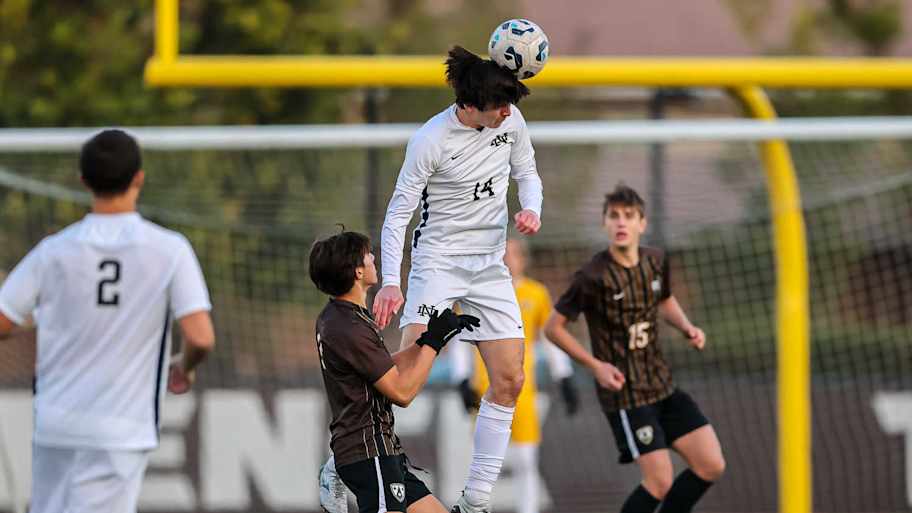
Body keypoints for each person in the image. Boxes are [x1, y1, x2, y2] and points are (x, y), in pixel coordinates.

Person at [317, 45, 544, 513]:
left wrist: (530, 208)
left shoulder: (511, 122)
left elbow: (528, 173)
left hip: (488, 266)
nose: (508, 112)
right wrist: (395, 281)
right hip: (438, 264)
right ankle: (340, 464)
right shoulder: (430, 140)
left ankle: (476, 499)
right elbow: (399, 212)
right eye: (500, 105)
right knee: (404, 379)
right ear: (470, 104)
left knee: (510, 379)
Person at [0, 129, 215, 513]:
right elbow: (200, 337)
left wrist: (41, 319)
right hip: (119, 431)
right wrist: (185, 367)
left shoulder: (54, 250)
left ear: (84, 181)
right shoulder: (169, 249)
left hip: (56, 425)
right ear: (139, 178)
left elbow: (3, 320)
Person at [544, 184, 725, 513]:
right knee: (659, 482)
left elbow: (665, 300)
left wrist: (687, 328)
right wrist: (594, 365)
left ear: (642, 223)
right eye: (613, 216)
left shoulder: (655, 261)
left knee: (711, 464)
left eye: (629, 216)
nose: (621, 223)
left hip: (662, 385)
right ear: (604, 224)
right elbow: (553, 328)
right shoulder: (592, 276)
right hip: (626, 395)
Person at [309, 230, 480, 513]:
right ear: (357, 271)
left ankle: (335, 469)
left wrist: (429, 339)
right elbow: (402, 392)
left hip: (383, 451)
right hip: (368, 453)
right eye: (367, 255)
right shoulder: (349, 327)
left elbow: (381, 365)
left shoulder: (341, 316)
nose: (374, 257)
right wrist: (434, 345)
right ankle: (334, 471)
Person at [449, 238, 578, 513]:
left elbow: (550, 336)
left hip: (523, 393)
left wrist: (564, 376)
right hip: (485, 392)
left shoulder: (536, 293)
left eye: (512, 254)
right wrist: (461, 379)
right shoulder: (476, 293)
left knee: (526, 462)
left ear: (523, 259)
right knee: (484, 466)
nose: (507, 259)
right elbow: (459, 340)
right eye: (501, 254)